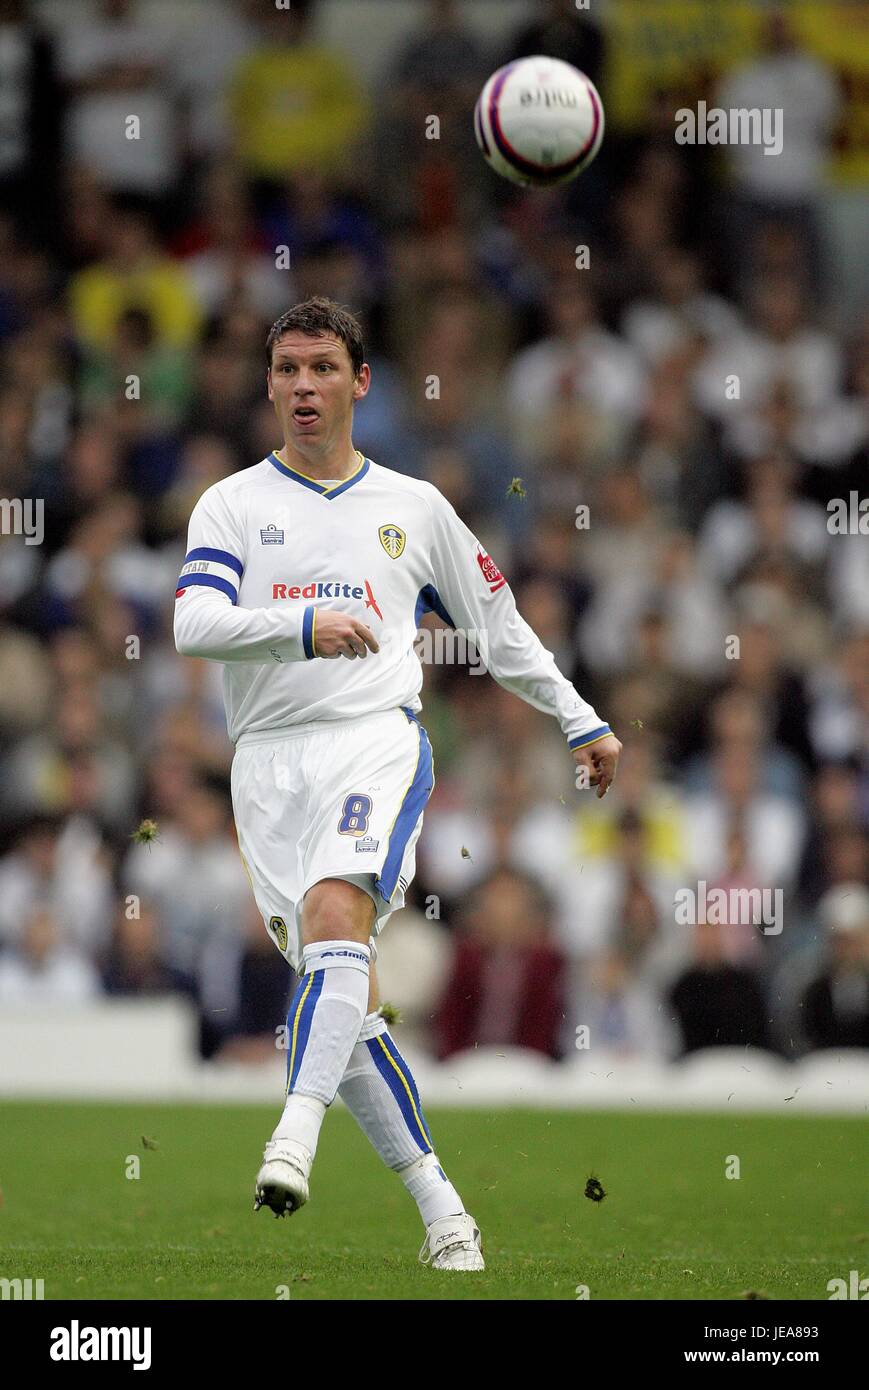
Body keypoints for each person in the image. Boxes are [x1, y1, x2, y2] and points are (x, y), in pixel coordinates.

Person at [173, 296, 621, 1272]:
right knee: (345, 1002)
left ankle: (290, 1136)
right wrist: (300, 627)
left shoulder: (412, 507)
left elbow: (496, 627)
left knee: (339, 917)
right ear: (268, 382)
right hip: (265, 764)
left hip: (372, 738)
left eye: (322, 368)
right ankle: (444, 1212)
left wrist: (576, 714)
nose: (302, 385)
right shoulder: (232, 504)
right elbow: (192, 624)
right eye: (286, 367)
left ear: (359, 384)